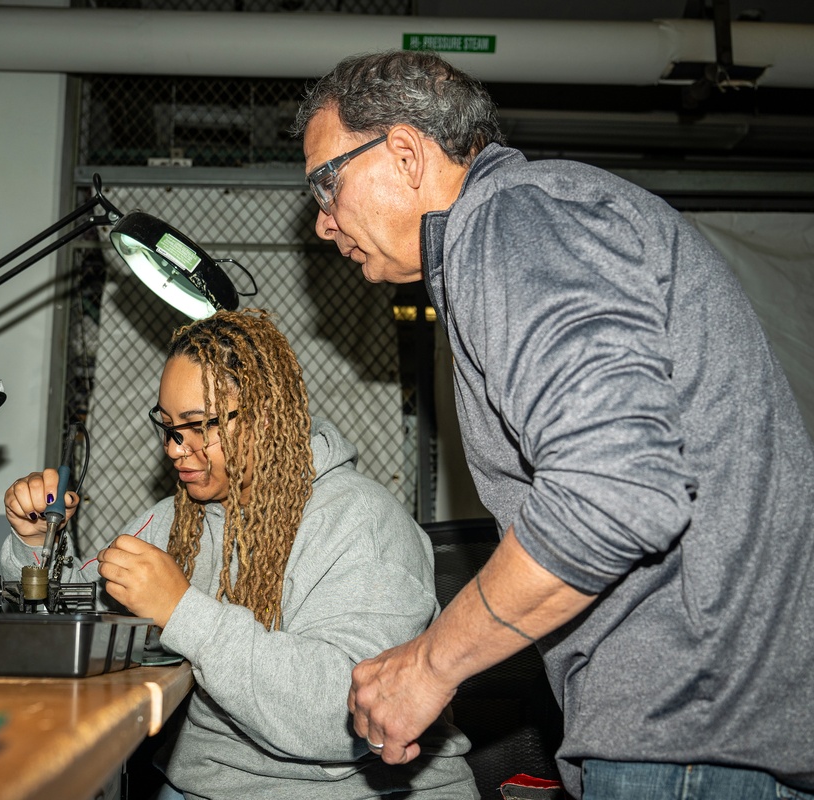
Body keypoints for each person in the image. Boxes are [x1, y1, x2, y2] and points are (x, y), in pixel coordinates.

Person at [292, 50, 814, 800]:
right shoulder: (531, 221)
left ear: (404, 153)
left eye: (325, 181)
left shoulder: (510, 220)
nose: (322, 221)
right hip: (709, 733)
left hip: (692, 741)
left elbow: (614, 491)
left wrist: (430, 665)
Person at [1, 309, 478, 800]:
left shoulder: (365, 523)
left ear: (263, 417)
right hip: (204, 785)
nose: (174, 449)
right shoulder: (175, 519)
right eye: (168, 427)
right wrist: (36, 545)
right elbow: (71, 629)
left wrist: (182, 610)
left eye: (196, 426)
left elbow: (345, 716)